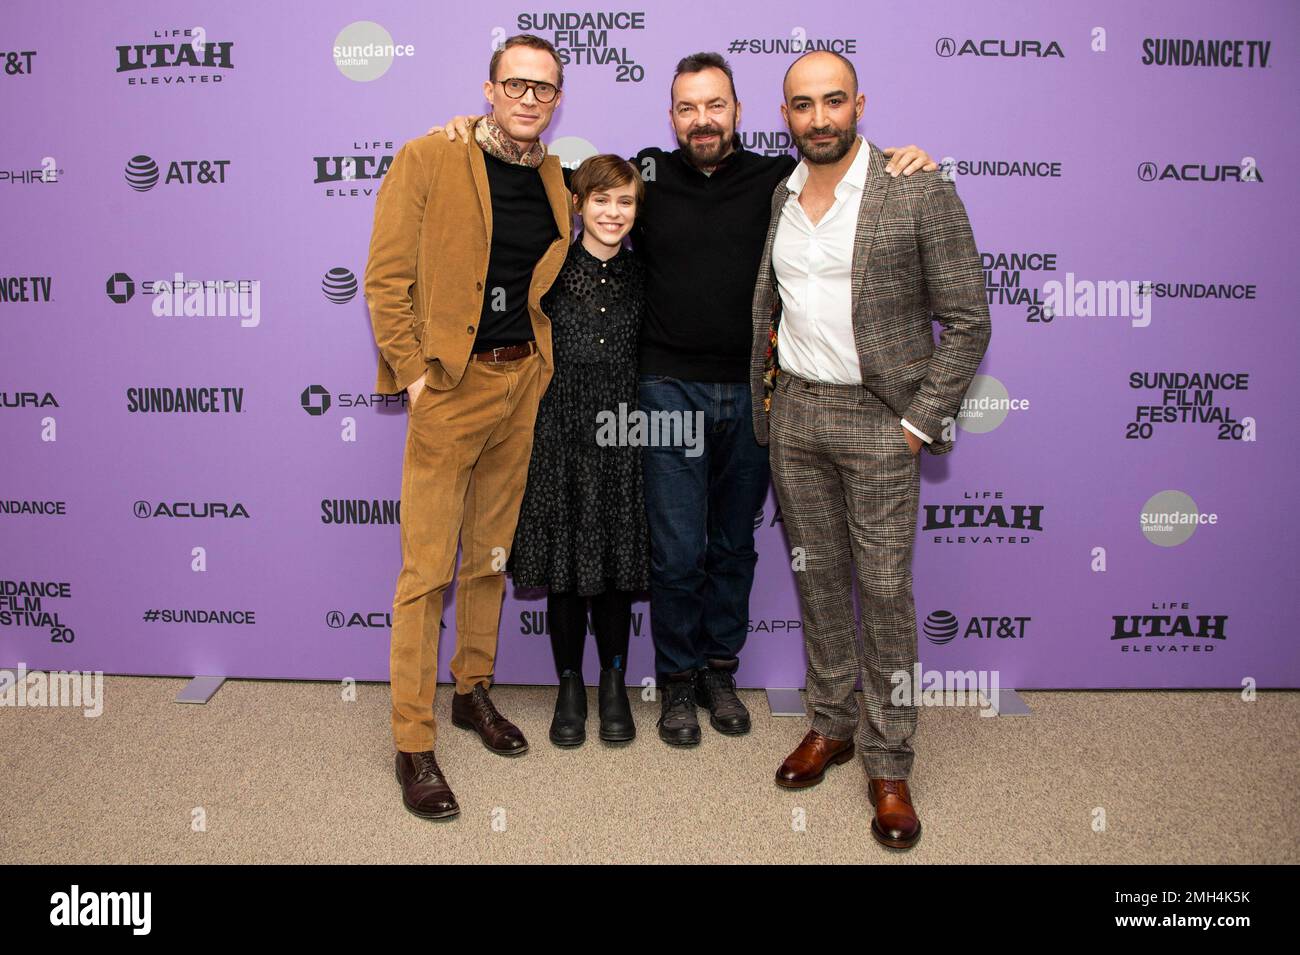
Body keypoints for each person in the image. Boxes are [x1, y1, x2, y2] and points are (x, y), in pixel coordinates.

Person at [434, 52, 937, 748]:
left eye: (716, 105)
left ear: (738, 110)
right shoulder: (647, 176)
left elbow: (844, 170)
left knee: (733, 546)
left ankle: (717, 671)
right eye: (688, 108)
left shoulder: (777, 179)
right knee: (675, 552)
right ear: (671, 118)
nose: (703, 120)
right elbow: (562, 178)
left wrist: (905, 161)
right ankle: (674, 681)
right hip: (665, 390)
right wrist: (470, 129)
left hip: (756, 393)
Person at [751, 51, 991, 849]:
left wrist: (918, 423)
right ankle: (831, 723)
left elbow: (968, 317)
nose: (818, 117)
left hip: (881, 421)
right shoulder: (779, 194)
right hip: (796, 416)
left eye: (832, 101)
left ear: (860, 103)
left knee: (884, 593)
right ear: (784, 114)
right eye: (801, 105)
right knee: (817, 585)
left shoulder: (915, 186)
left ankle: (890, 761)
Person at [364, 34, 572, 821]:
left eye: (543, 88)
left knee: (488, 558)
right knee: (426, 574)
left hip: (522, 383)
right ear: (489, 89)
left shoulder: (556, 175)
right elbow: (386, 277)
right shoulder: (430, 155)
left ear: (557, 100)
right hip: (449, 389)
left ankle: (472, 691)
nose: (527, 97)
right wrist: (416, 376)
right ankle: (412, 739)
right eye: (514, 84)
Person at [510, 154, 649, 747]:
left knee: (616, 565)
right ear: (578, 203)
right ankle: (569, 684)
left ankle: (613, 681)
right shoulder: (550, 267)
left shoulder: (645, 273)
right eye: (601, 200)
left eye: (625, 202)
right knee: (565, 567)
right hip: (558, 427)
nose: (612, 213)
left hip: (622, 430)